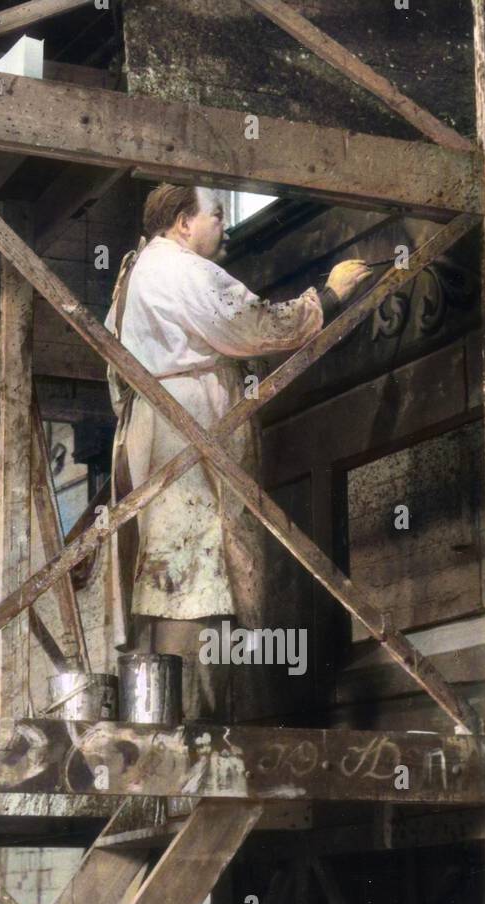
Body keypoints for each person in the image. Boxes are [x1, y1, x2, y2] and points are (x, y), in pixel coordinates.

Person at [104, 184, 372, 720]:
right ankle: (198, 735)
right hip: (186, 429)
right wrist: (333, 293)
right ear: (183, 222)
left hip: (154, 429)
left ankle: (174, 726)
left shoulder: (136, 271)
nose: (224, 226)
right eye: (217, 215)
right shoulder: (180, 269)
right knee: (199, 574)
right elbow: (253, 323)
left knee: (174, 578)